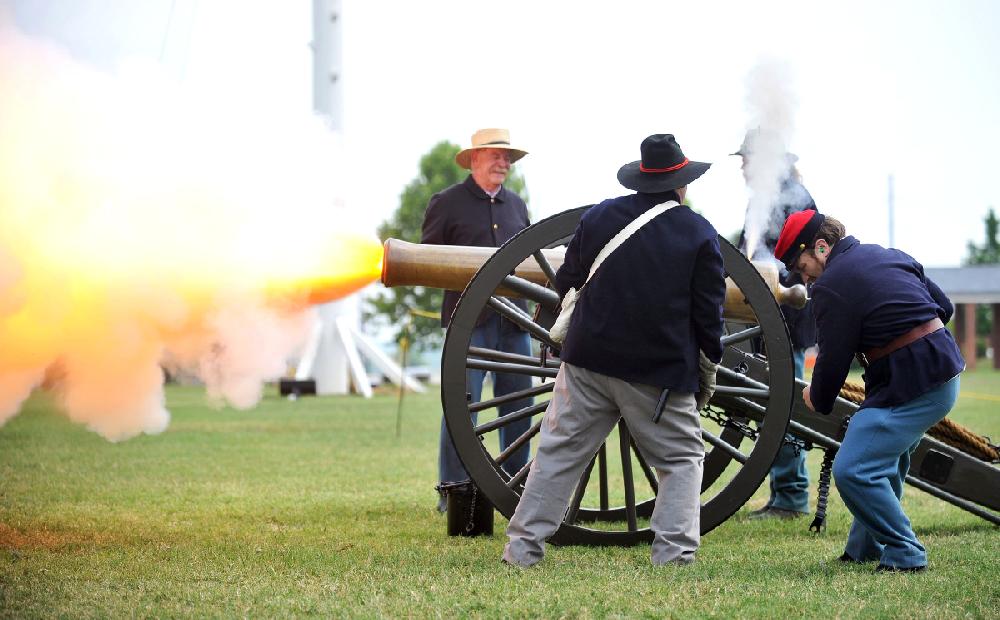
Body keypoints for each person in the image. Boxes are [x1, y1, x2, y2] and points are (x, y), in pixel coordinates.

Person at [502, 134, 726, 567]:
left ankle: (522, 550)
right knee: (681, 458)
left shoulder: (601, 216)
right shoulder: (697, 232)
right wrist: (708, 362)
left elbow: (567, 278)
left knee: (557, 454)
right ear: (682, 183)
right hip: (656, 371)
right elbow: (708, 312)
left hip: (586, 360)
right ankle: (675, 556)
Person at [774, 209, 964, 572]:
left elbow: (833, 358)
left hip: (914, 380)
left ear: (821, 246)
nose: (802, 277)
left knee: (854, 468)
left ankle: (906, 552)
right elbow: (946, 308)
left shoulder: (831, 285)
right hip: (940, 370)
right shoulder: (890, 254)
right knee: (879, 461)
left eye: (801, 266)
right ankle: (864, 548)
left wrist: (818, 396)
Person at [421, 128, 533, 512]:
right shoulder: (447, 203)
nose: (504, 163)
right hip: (471, 324)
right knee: (461, 406)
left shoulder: (517, 205)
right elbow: (428, 261)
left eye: (507, 158)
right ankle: (454, 492)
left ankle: (515, 489)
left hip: (516, 323)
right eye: (496, 156)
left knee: (519, 409)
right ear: (473, 159)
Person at [733, 135, 818, 520]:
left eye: (747, 159)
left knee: (786, 408)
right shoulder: (764, 200)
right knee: (775, 408)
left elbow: (798, 264)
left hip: (786, 319)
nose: (742, 167)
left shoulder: (795, 198)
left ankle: (791, 496)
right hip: (763, 322)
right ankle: (783, 493)